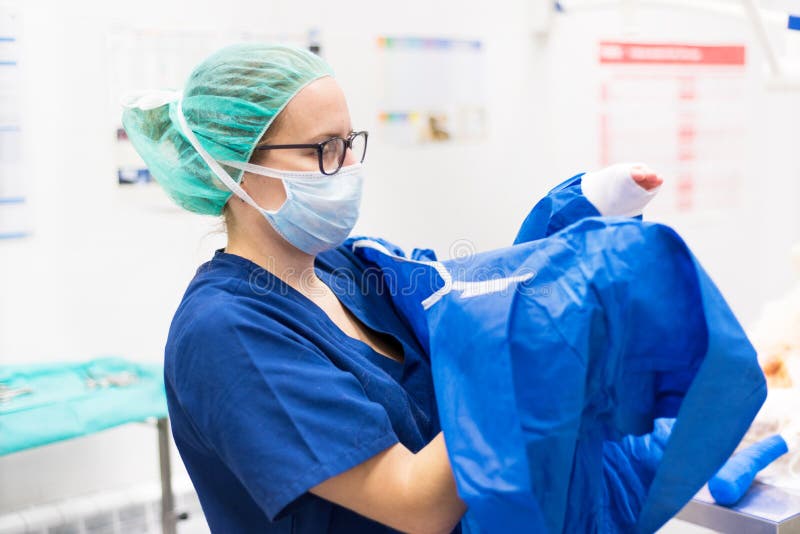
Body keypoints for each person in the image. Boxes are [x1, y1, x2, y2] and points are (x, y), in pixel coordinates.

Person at [122, 43, 663, 533]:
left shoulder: (352, 268)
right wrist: (529, 362)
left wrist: (576, 218)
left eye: (350, 143)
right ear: (234, 168)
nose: (349, 167)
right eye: (323, 149)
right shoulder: (226, 334)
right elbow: (416, 504)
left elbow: (479, 301)